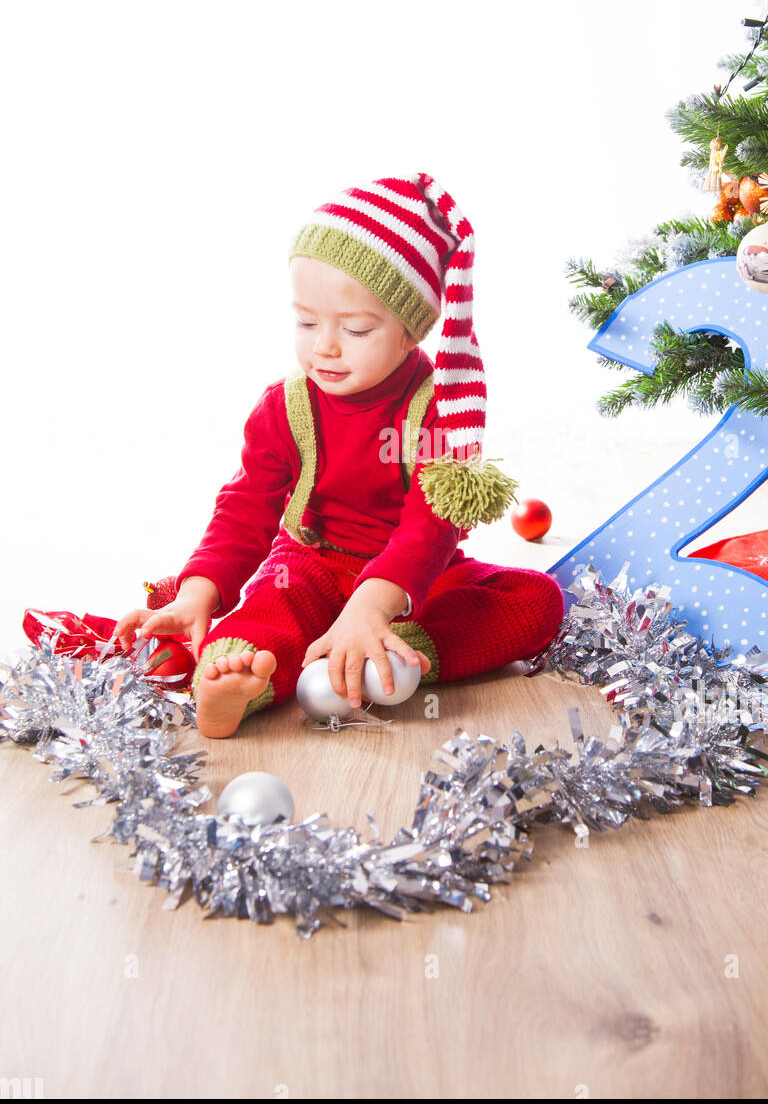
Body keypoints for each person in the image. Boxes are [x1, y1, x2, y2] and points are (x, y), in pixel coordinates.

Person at [115, 172, 565, 738]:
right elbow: (245, 508)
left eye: (354, 329)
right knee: (273, 609)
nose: (323, 345)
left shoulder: (437, 407)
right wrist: (197, 592)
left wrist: (373, 608)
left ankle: (388, 652)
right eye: (306, 322)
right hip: (312, 559)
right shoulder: (287, 406)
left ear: (410, 334)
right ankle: (235, 679)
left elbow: (431, 525)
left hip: (409, 581)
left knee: (536, 600)